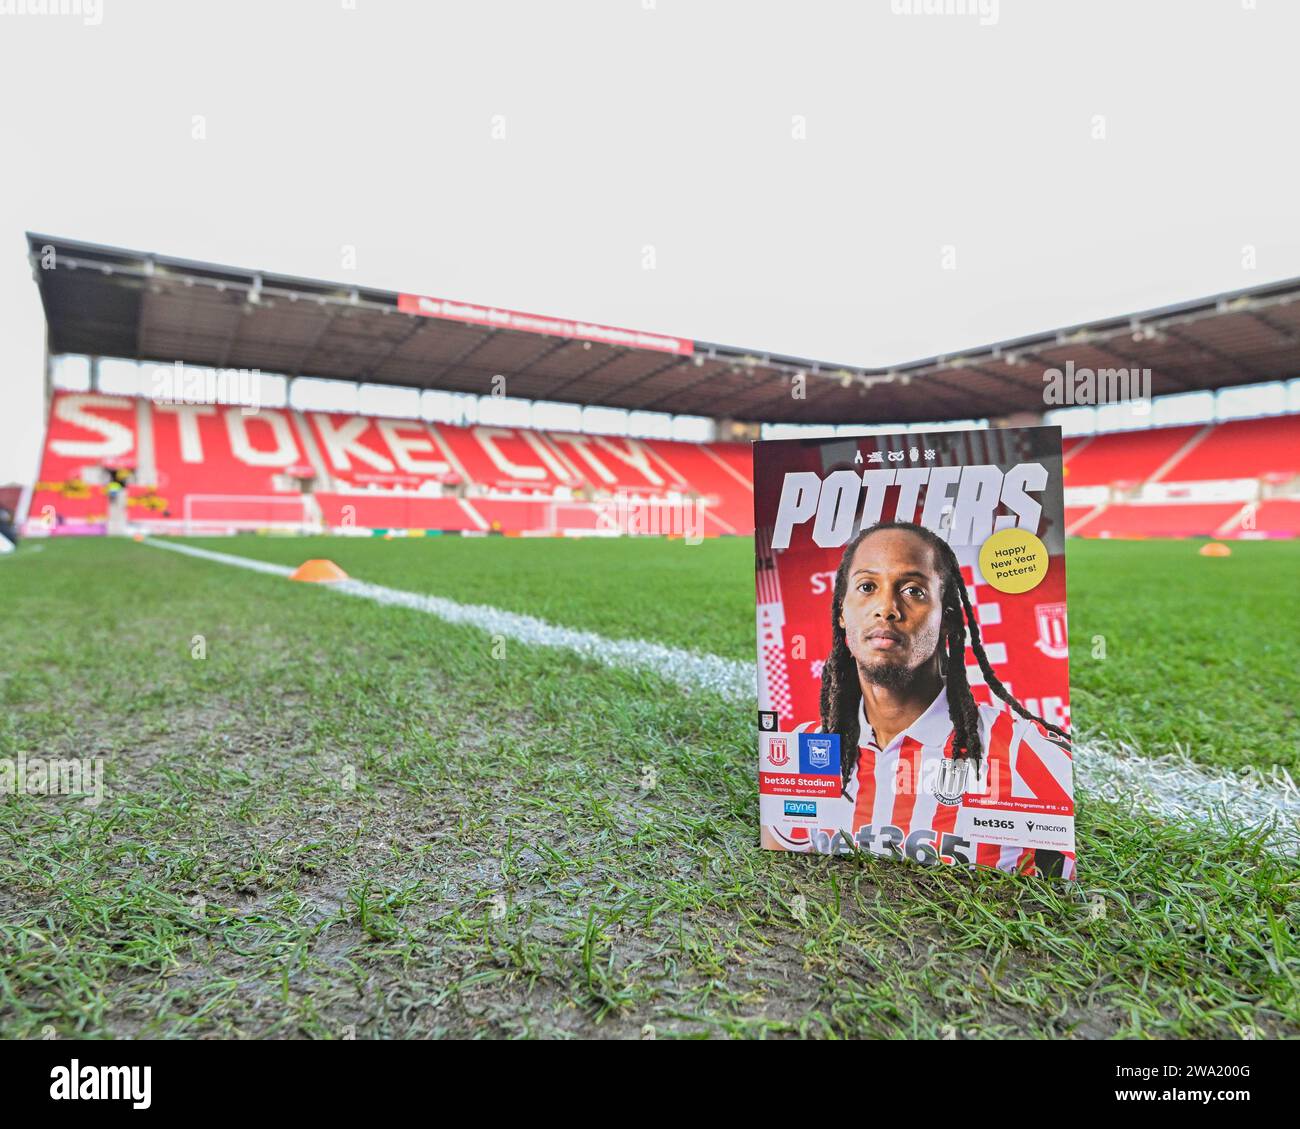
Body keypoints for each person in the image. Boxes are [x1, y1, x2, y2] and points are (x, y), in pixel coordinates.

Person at [811, 520, 1073, 876]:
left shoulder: (1018, 750)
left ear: (946, 618)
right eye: (867, 586)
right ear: (842, 611)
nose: (886, 608)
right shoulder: (807, 749)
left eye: (913, 590)